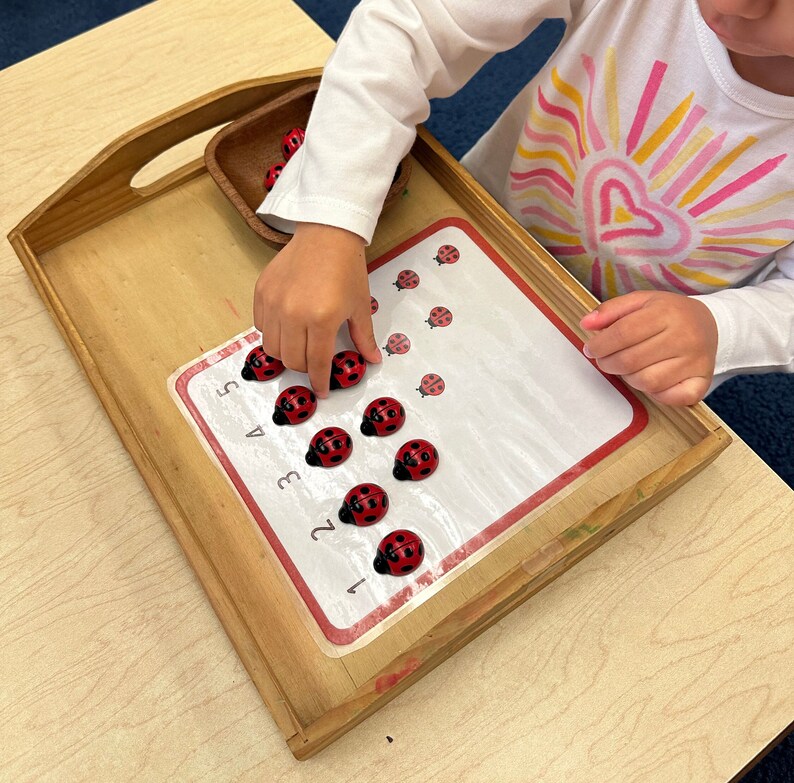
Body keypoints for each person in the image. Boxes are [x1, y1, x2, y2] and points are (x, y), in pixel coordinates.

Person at [254, 0, 794, 406]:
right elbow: (414, 22)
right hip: (476, 238)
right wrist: (330, 221)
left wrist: (721, 329)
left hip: (624, 365)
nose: (730, 3)